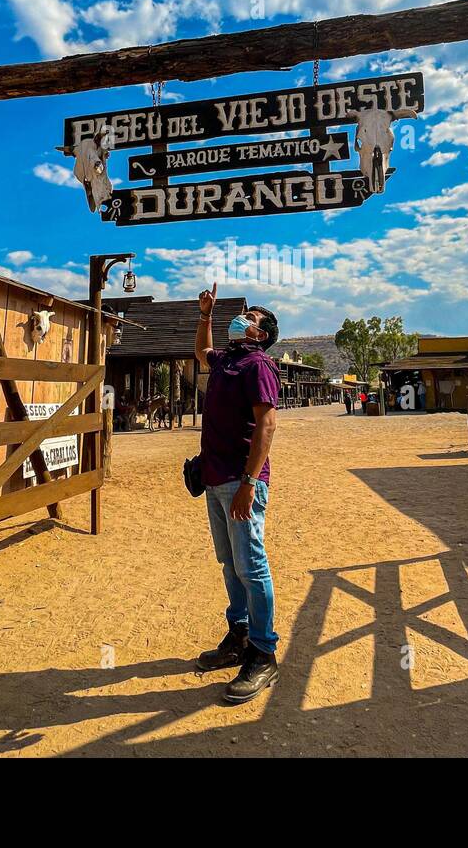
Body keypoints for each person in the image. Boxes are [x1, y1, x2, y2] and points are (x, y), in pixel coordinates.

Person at [192, 283, 282, 704]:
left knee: (252, 566)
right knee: (230, 563)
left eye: (251, 317)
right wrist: (206, 316)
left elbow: (266, 426)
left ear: (260, 334)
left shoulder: (258, 365)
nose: (242, 318)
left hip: (240, 481)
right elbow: (199, 354)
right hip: (215, 479)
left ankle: (264, 653)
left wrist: (250, 483)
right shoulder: (228, 359)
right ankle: (239, 635)